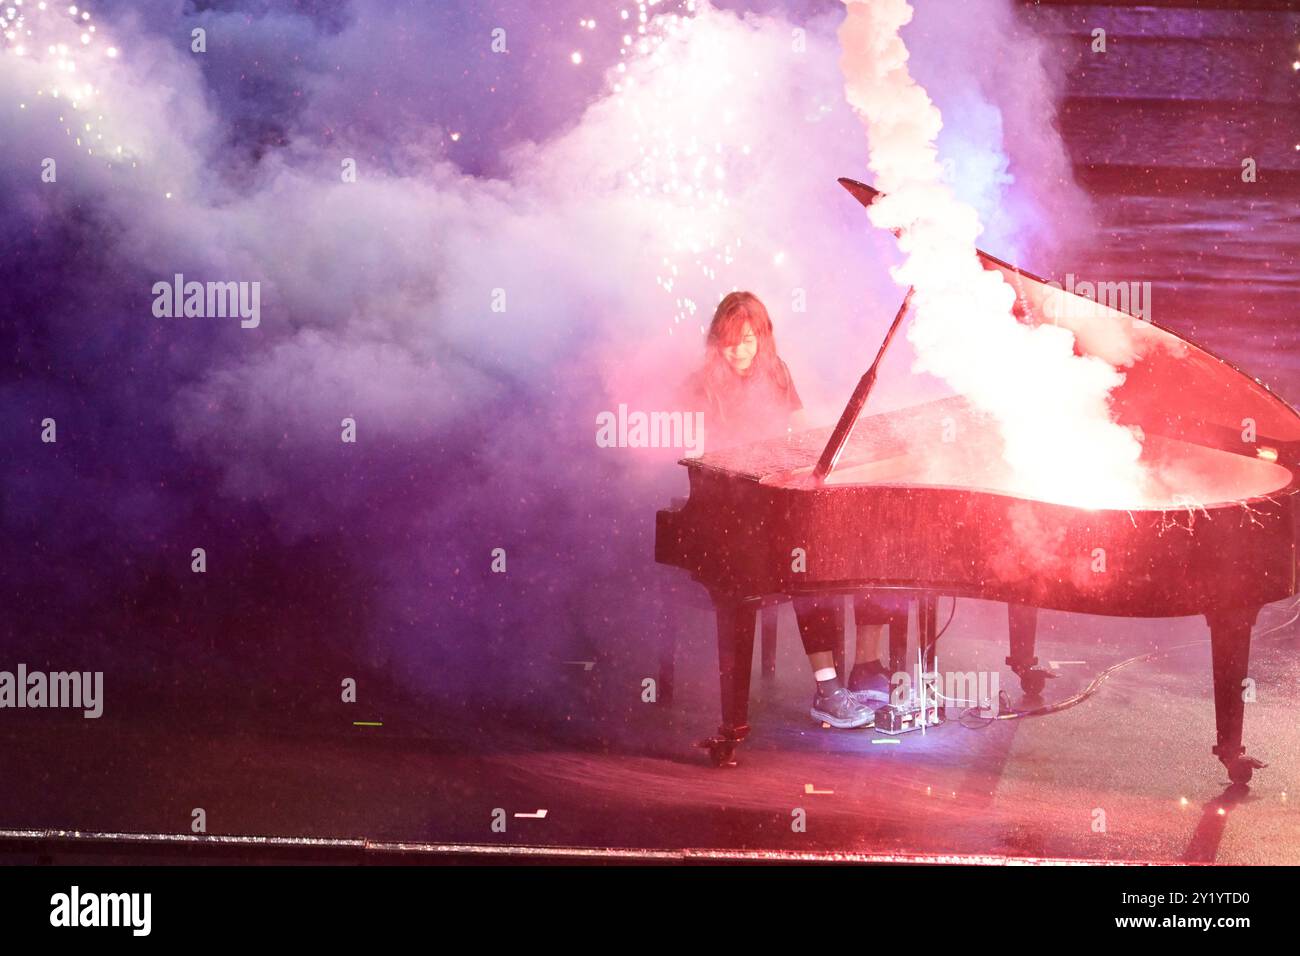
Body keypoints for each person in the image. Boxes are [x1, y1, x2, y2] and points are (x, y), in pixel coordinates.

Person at [681, 291, 873, 729]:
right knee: (804, 570)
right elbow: (697, 455)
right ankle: (826, 690)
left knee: (817, 563)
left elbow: (803, 430)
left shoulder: (776, 371)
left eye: (748, 340)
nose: (740, 352)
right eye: (730, 342)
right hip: (726, 510)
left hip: (772, 499)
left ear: (762, 338)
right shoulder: (701, 383)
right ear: (717, 341)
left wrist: (812, 467)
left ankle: (835, 687)